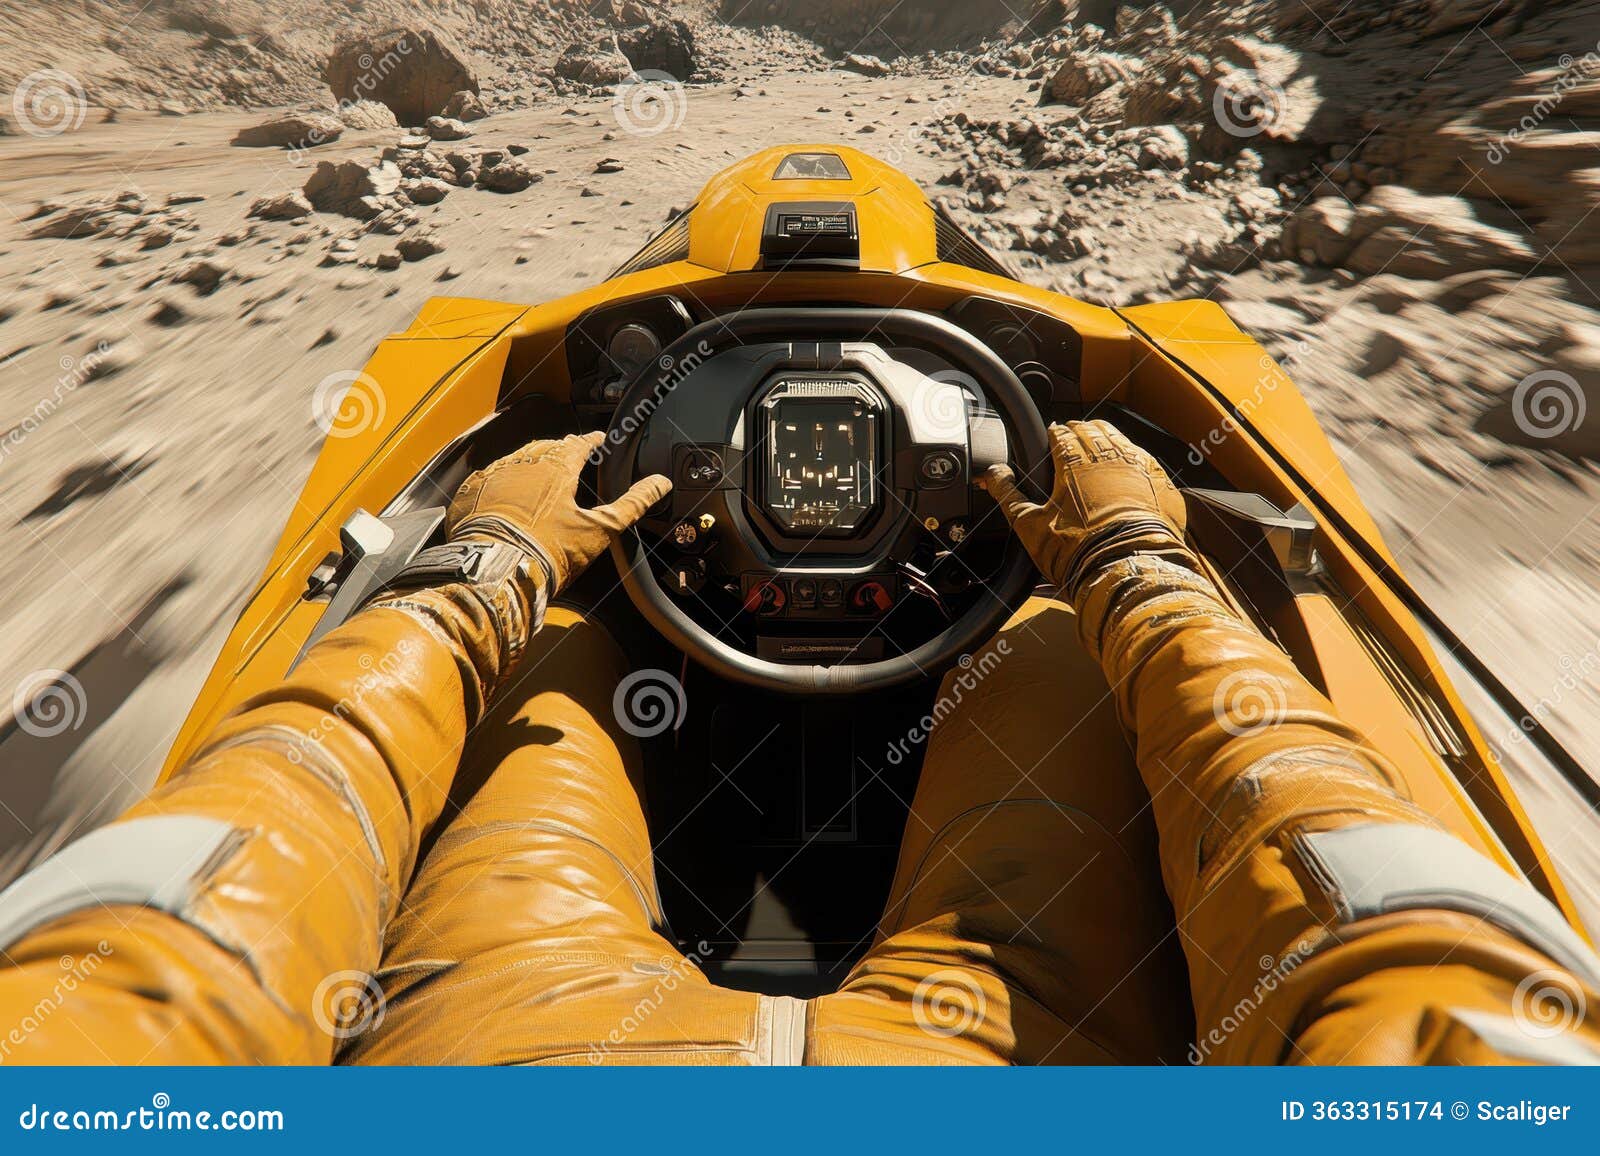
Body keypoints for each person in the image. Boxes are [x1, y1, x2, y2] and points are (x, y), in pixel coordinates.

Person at [0, 423, 1595, 1065]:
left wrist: (486, 573)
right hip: (1002, 1056)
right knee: (1043, 642)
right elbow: (1338, 874)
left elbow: (180, 929)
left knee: (573, 648)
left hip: (518, 1054)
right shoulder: (1491, 1074)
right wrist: (1123, 565)